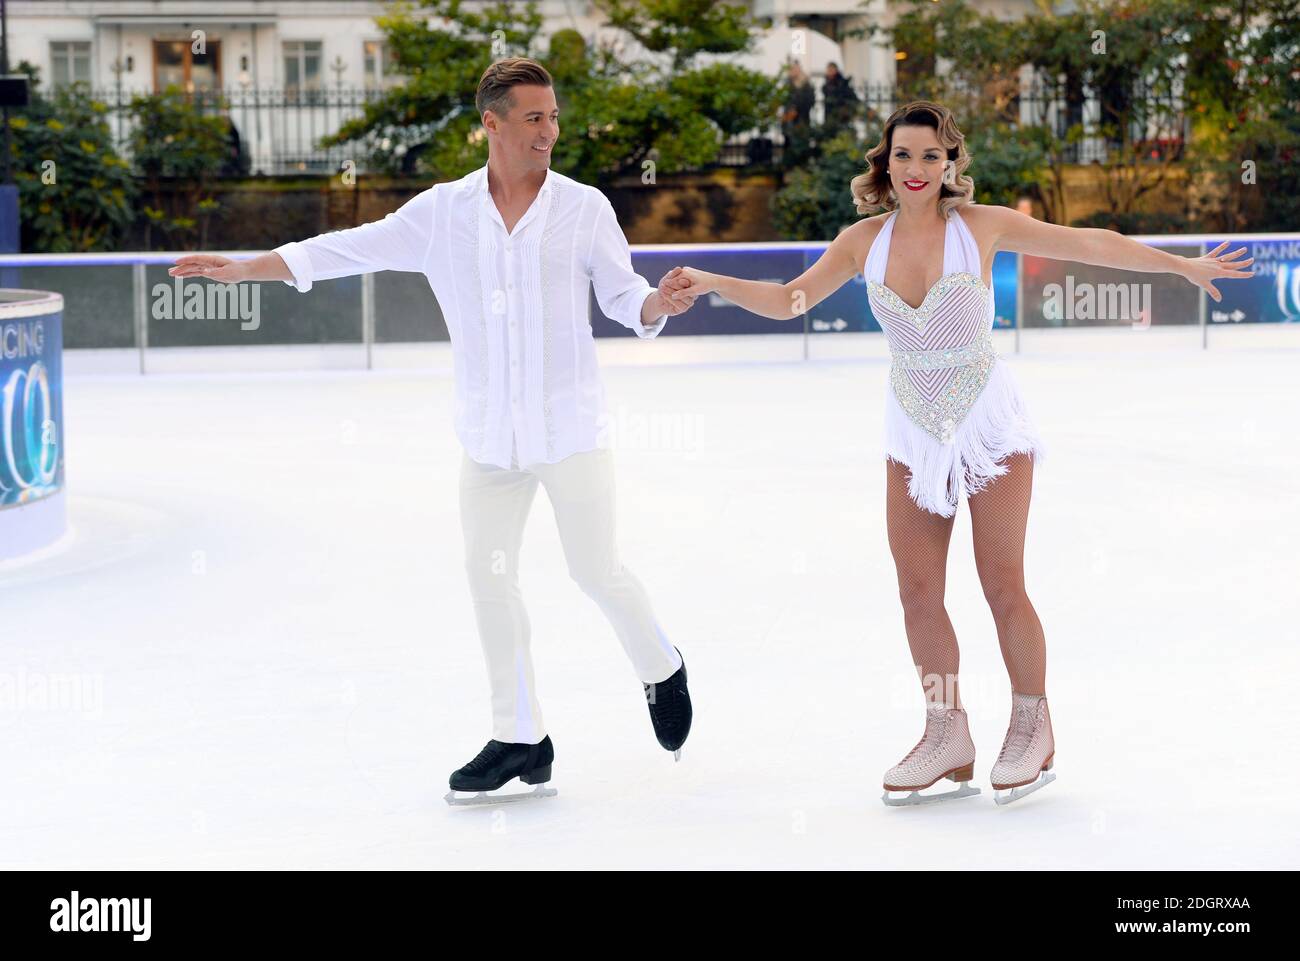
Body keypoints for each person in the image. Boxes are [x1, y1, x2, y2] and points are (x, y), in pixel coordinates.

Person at [662, 100, 1253, 806]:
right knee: (918, 593)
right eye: (904, 155)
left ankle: (1033, 723)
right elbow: (792, 300)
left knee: (1001, 582)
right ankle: (948, 732)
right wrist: (714, 282)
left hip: (987, 421)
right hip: (911, 428)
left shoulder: (982, 227)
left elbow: (1091, 242)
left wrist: (1181, 266)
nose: (917, 169)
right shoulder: (861, 241)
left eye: (931, 157)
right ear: (885, 164)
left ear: (950, 166)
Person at [169, 57, 697, 805]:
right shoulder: (442, 213)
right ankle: (521, 737)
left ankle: (661, 664)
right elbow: (343, 249)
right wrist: (246, 268)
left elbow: (623, 297)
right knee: (487, 576)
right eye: (534, 118)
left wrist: (658, 307)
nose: (550, 130)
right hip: (488, 440)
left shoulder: (585, 209)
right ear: (491, 124)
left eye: (553, 116)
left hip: (570, 430)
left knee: (595, 571)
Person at [781, 62, 816, 167]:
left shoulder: (806, 84)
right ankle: (789, 167)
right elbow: (784, 99)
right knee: (788, 142)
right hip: (789, 119)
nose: (794, 71)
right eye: (792, 69)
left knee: (802, 143)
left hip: (802, 119)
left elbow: (810, 101)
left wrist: (797, 110)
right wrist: (789, 111)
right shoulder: (787, 83)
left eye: (796, 69)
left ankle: (802, 166)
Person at [822, 62, 860, 130]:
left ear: (836, 71)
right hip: (829, 117)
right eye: (828, 70)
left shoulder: (842, 84)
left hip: (841, 118)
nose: (829, 72)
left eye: (831, 70)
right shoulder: (826, 85)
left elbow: (853, 98)